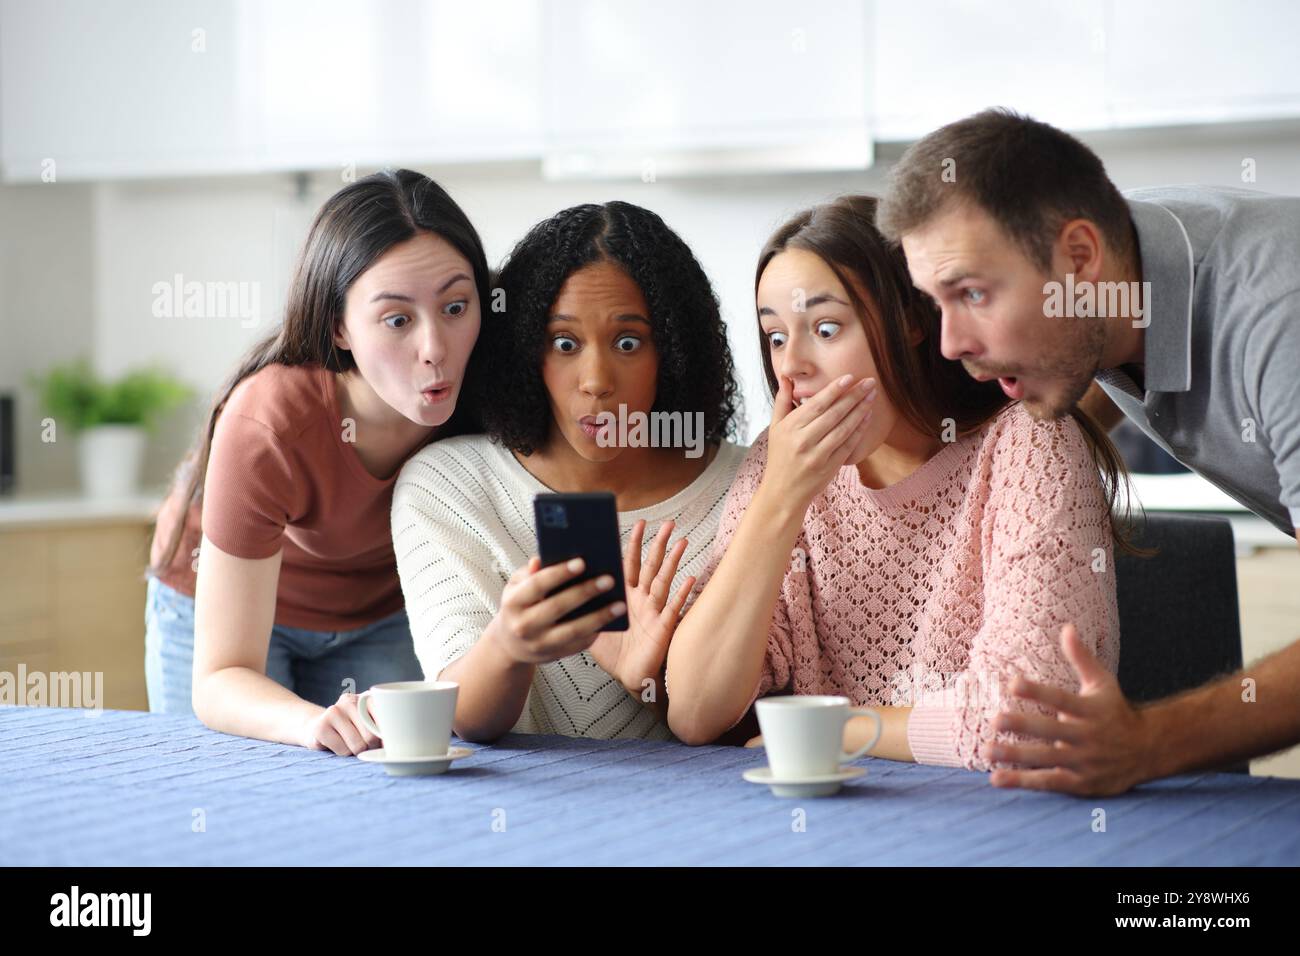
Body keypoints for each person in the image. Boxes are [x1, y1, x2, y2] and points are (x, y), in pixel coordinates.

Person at [877, 107, 1300, 794]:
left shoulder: (1278, 315)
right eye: (936, 303)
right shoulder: (1105, 289)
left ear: (1079, 256)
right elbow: (1068, 404)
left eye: (973, 294)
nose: (951, 342)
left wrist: (1145, 742)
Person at [665, 195, 1125, 771]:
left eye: (826, 329)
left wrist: (830, 730)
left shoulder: (1026, 442)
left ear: (910, 322)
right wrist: (778, 503)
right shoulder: (778, 465)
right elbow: (695, 709)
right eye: (777, 337)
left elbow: (1027, 721)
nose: (791, 367)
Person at [146, 170, 490, 755]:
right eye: (398, 319)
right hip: (224, 609)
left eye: (456, 307)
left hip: (375, 612)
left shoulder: (488, 388)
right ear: (339, 326)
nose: (436, 348)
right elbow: (220, 678)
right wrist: (308, 724)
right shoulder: (269, 424)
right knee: (227, 797)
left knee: (387, 789)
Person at [392, 201, 747, 742]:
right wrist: (510, 644)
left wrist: (649, 680)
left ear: (674, 352)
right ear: (527, 353)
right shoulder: (449, 486)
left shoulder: (748, 487)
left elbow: (758, 731)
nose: (596, 380)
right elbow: (461, 718)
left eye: (628, 342)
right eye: (564, 344)